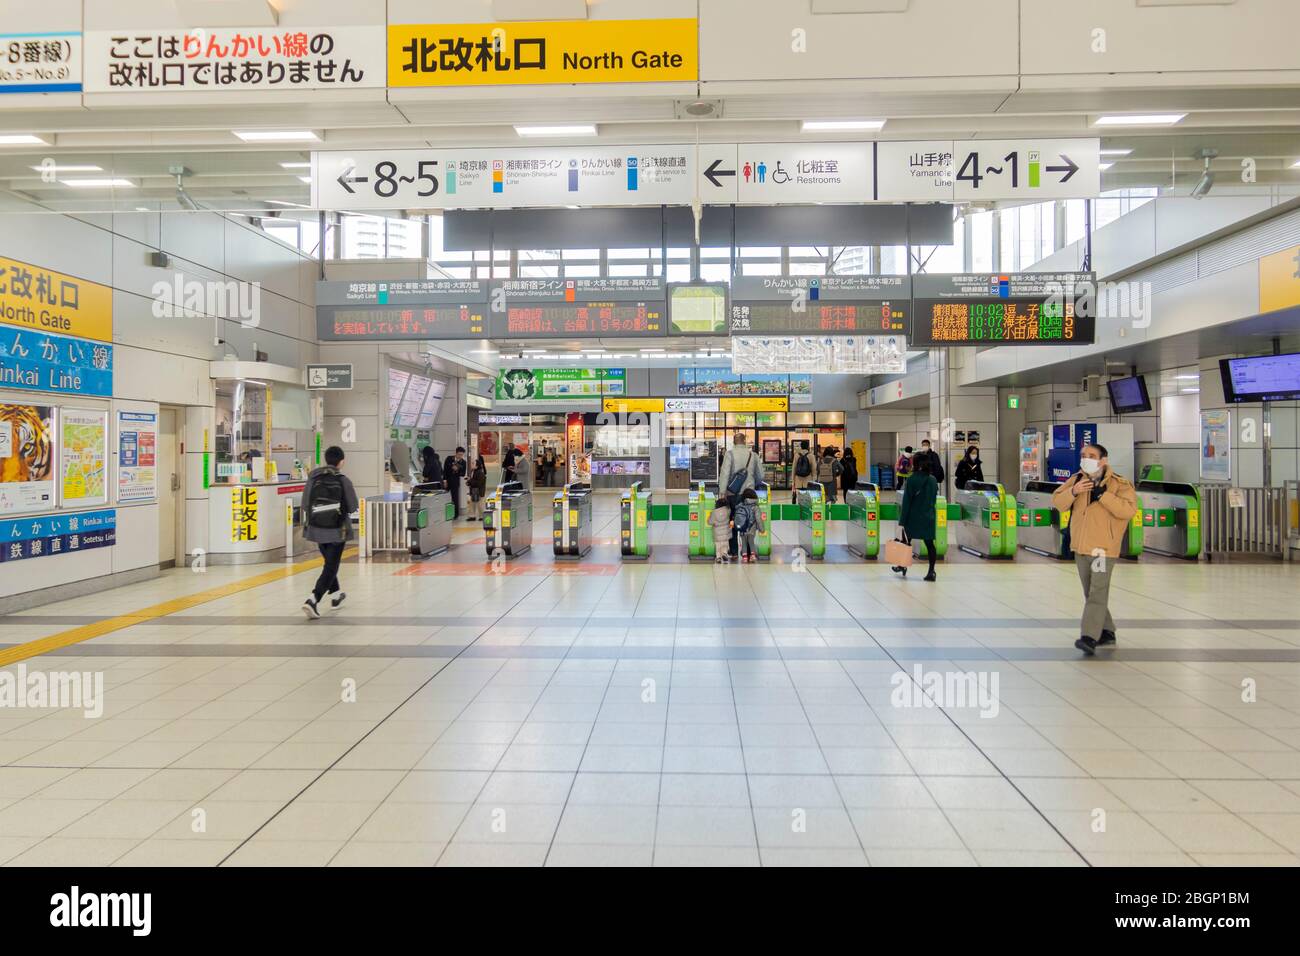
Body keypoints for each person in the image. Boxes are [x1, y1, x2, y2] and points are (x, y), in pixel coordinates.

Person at [1051, 443, 1138, 656]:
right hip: (1080, 546)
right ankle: (1107, 631)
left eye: (1091, 455)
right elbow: (1058, 502)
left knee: (1097, 592)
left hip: (1102, 548)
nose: (1086, 459)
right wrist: (1073, 491)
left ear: (1103, 460)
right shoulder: (1077, 479)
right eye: (1083, 455)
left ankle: (1089, 637)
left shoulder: (1120, 484)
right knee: (1090, 592)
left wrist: (1103, 495)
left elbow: (1128, 510)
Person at [301, 445, 359, 619]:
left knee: (329, 564)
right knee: (331, 566)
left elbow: (305, 504)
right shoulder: (343, 480)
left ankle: (336, 596)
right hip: (336, 531)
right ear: (341, 462)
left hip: (316, 529)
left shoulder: (313, 477)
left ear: (326, 459)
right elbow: (353, 506)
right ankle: (313, 599)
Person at [718, 433, 762, 559]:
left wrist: (722, 492)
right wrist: (754, 484)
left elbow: (725, 474)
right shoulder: (753, 455)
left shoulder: (729, 454)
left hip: (733, 494)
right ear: (745, 441)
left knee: (732, 522)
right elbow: (760, 476)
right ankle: (748, 552)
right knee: (749, 522)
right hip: (749, 494)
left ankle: (733, 552)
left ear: (734, 442)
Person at [895, 458, 938, 582]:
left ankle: (902, 565)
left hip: (913, 517)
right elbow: (933, 499)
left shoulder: (912, 479)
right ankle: (931, 571)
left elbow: (907, 502)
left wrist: (902, 520)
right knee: (930, 544)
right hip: (928, 516)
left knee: (906, 541)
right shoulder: (933, 479)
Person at [734, 488, 765, 563]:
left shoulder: (740, 505)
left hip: (742, 528)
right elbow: (758, 519)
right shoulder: (755, 507)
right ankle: (752, 556)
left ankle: (744, 557)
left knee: (744, 543)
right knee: (751, 542)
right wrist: (762, 529)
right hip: (751, 529)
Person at [708, 494, 732, 564]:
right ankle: (724, 553)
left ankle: (718, 557)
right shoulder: (728, 511)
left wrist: (709, 518)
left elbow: (710, 522)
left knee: (718, 545)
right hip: (725, 531)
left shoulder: (714, 512)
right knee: (725, 544)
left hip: (717, 532)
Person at [444, 446, 467, 518]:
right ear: (456, 453)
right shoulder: (449, 459)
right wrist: (445, 480)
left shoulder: (463, 462)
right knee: (445, 497)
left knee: (455, 498)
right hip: (447, 481)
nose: (460, 456)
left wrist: (457, 470)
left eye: (462, 455)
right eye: (459, 454)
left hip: (455, 482)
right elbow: (444, 470)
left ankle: (455, 514)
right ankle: (444, 513)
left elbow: (463, 474)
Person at [791, 440, 814, 505]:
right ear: (808, 446)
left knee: (800, 495)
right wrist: (814, 480)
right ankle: (806, 508)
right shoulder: (811, 455)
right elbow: (814, 469)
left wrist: (793, 481)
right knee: (807, 495)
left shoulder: (796, 455)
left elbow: (794, 468)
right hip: (808, 480)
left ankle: (800, 506)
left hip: (798, 480)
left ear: (801, 446)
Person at [467, 453, 487, 521]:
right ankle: (472, 516)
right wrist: (469, 481)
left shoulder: (480, 473)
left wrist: (470, 481)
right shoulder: (473, 471)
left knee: (480, 504)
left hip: (479, 491)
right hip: (474, 490)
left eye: (473, 463)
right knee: (472, 503)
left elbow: (478, 483)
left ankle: (481, 516)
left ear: (477, 465)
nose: (472, 464)